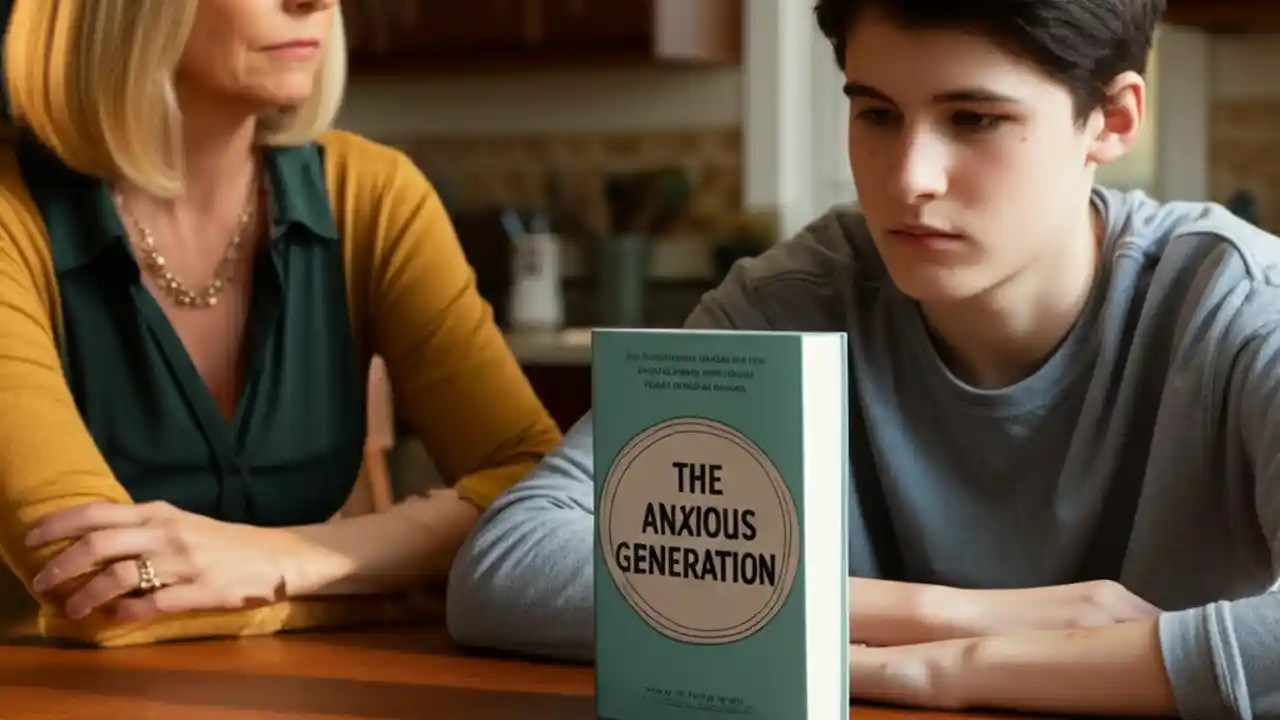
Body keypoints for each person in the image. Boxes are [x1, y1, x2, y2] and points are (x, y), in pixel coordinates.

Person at [446, 0, 1280, 717]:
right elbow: (512, 566)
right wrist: (951, 616)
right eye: (877, 113)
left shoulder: (1238, 304)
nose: (908, 178)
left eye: (975, 118)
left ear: (1113, 118)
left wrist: (950, 671)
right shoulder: (791, 301)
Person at [0, 0, 562, 647]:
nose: (315, 2)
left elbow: (545, 500)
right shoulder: (15, 215)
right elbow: (102, 594)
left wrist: (291, 559)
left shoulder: (373, 193)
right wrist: (411, 577)